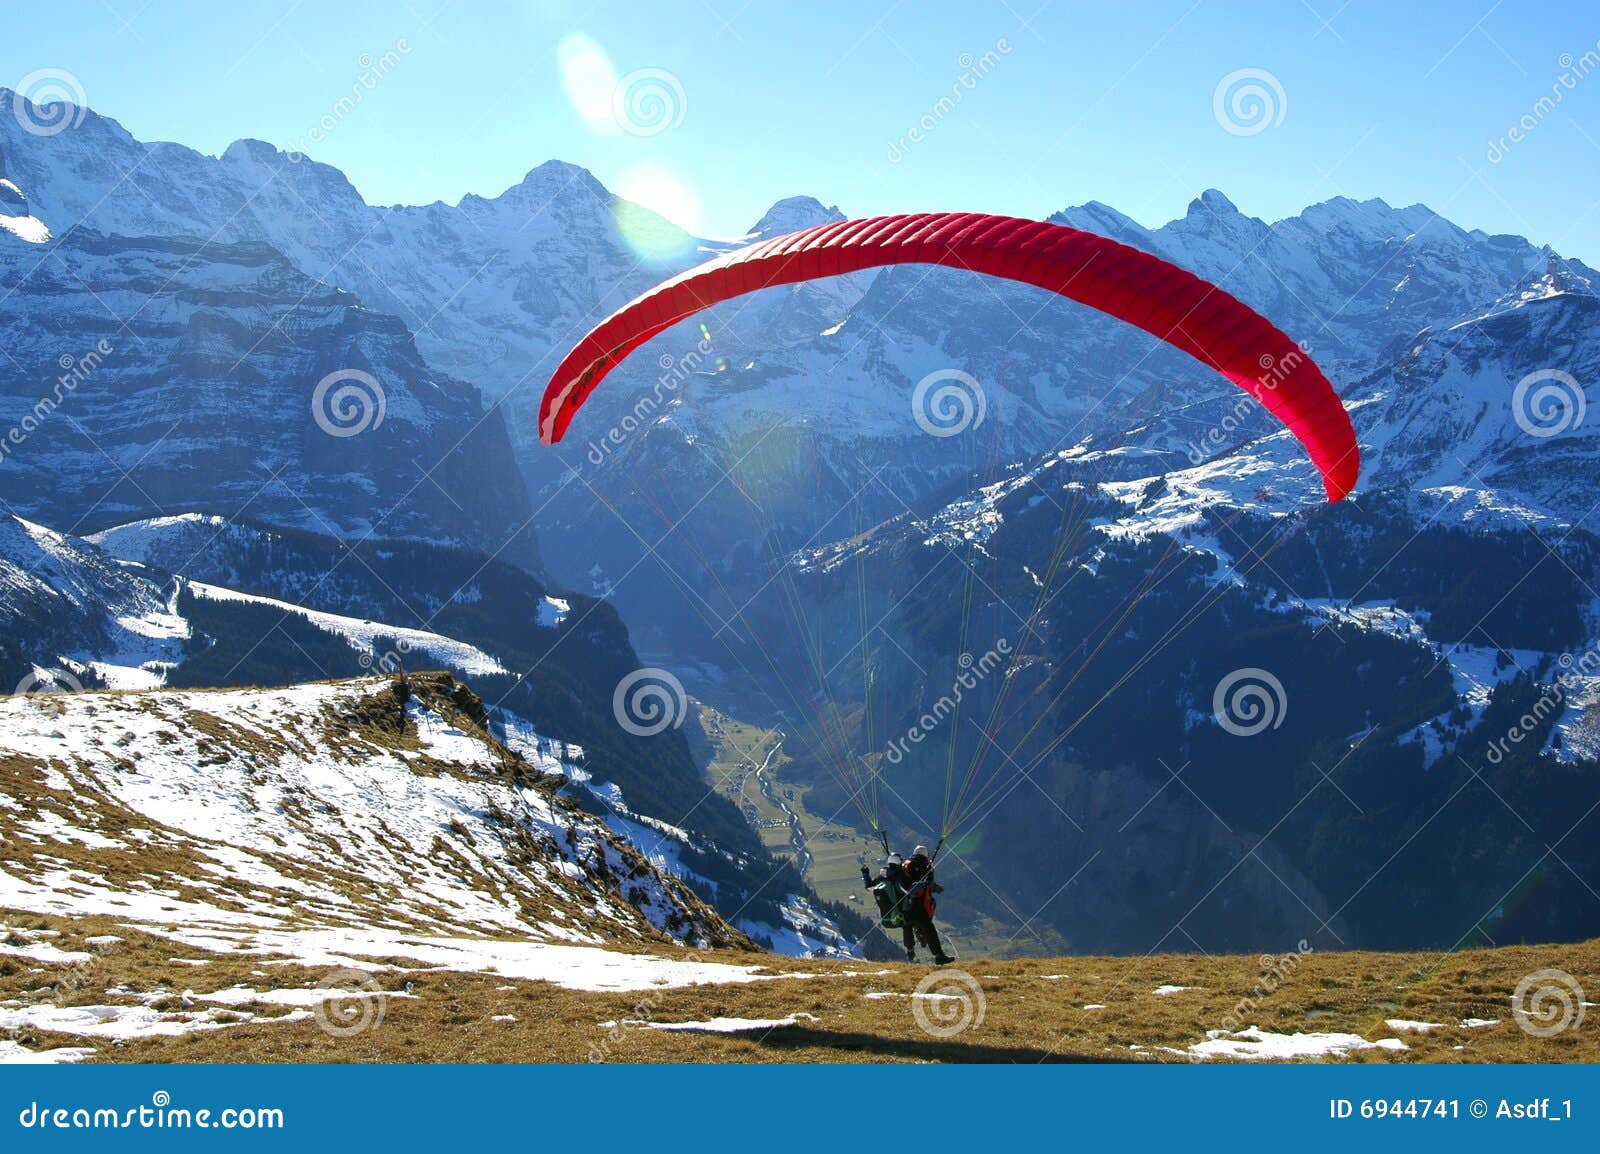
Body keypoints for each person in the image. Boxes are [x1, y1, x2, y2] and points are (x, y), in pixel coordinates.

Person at [862, 845, 954, 965]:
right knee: (928, 927)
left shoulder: (883, 874)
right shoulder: (901, 874)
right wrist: (927, 884)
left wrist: (865, 873)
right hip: (910, 906)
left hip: (896, 912)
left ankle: (910, 952)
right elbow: (910, 889)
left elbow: (868, 886)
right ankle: (938, 955)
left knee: (907, 925)